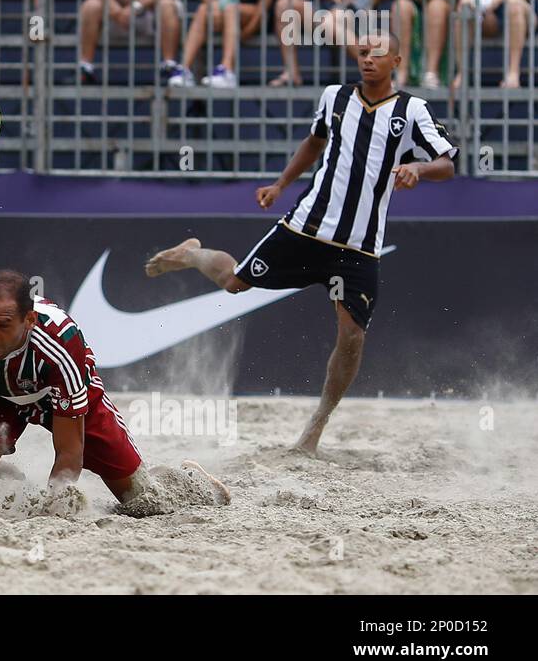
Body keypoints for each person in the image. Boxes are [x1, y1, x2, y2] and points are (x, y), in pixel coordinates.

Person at [146, 31, 457, 456]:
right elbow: (314, 142)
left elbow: (448, 162)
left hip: (360, 246)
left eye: (378, 53)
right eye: (362, 52)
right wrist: (280, 183)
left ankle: (313, 432)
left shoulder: (412, 110)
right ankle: (192, 252)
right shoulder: (335, 97)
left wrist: (419, 170)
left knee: (352, 338)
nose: (367, 59)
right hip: (306, 229)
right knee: (236, 283)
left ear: (397, 60)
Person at [0, 269, 229, 513]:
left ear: (29, 320)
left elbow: (69, 450)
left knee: (142, 503)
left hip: (62, 396)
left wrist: (55, 505)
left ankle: (195, 482)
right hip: (1, 394)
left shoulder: (62, 344)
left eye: (3, 326)